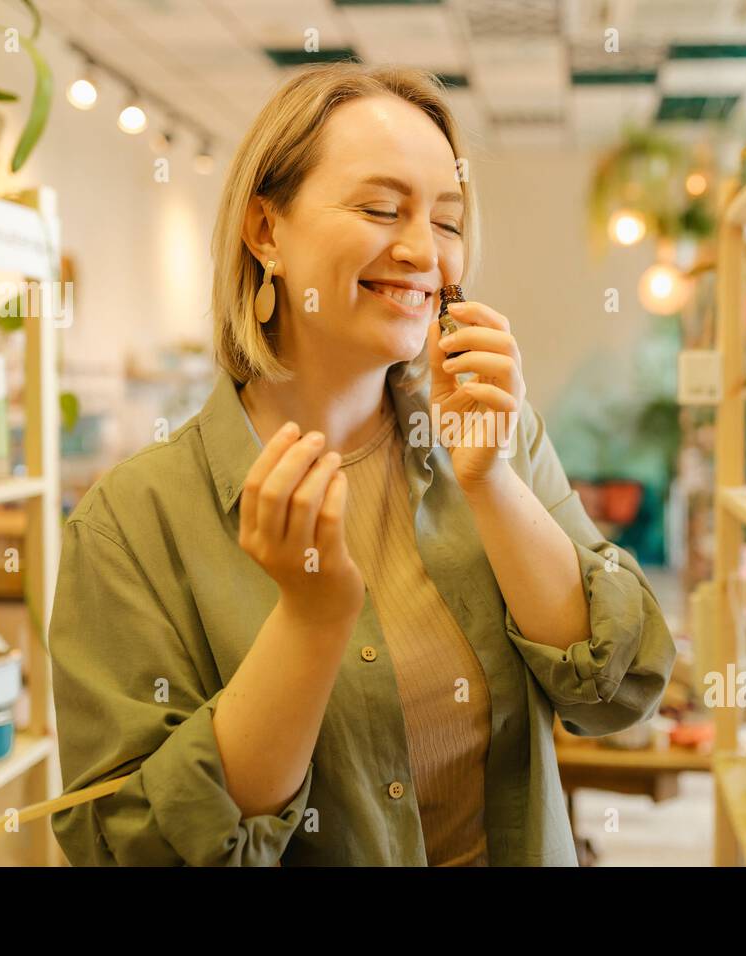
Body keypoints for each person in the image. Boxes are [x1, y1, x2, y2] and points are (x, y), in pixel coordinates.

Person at [49, 62, 676, 866]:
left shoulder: (501, 436)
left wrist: (490, 484)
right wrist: (310, 622)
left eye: (447, 223)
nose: (424, 253)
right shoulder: (133, 524)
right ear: (265, 231)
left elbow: (622, 691)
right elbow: (136, 848)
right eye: (381, 209)